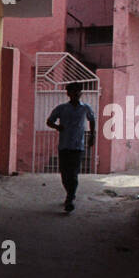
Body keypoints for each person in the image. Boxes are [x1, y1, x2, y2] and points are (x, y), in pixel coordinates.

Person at [46, 82, 95, 212]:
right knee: (64, 173)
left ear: (81, 93)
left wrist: (92, 136)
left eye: (78, 92)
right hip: (64, 145)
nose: (76, 94)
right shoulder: (62, 108)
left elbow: (92, 120)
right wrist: (57, 127)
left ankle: (70, 198)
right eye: (73, 92)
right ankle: (69, 193)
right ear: (68, 94)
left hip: (78, 146)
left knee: (73, 173)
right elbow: (49, 121)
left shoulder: (85, 108)